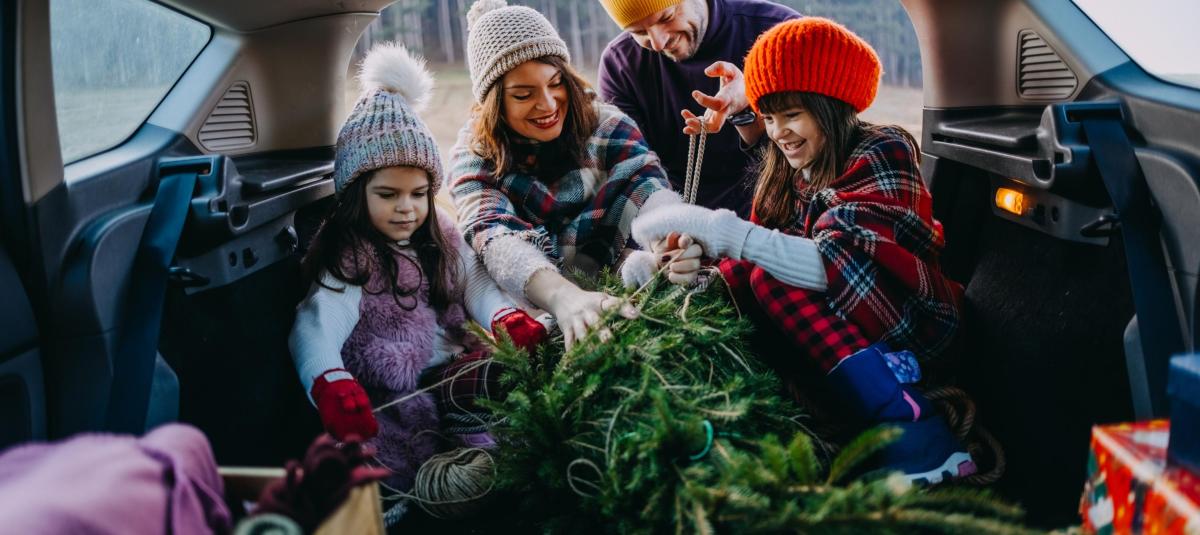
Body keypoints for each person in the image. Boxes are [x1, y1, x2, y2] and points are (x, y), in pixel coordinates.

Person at [632, 18, 977, 485]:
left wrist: (720, 230)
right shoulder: (793, 170)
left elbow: (835, 262)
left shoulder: (883, 150)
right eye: (769, 117)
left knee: (771, 274)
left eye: (791, 115)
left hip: (915, 323)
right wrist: (684, 273)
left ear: (832, 105)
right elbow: (754, 258)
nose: (778, 133)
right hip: (853, 328)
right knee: (748, 273)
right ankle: (848, 413)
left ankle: (917, 430)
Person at [288, 43, 548, 490]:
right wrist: (331, 382)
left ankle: (492, 461)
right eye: (388, 195)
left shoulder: (439, 234)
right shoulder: (351, 257)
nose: (406, 208)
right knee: (397, 460)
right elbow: (316, 325)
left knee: (504, 377)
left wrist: (504, 317)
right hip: (394, 391)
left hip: (451, 366)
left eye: (418, 194)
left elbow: (473, 280)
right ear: (356, 195)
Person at [448, 0, 689, 349]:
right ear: (494, 103)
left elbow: (646, 184)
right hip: (534, 312)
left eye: (555, 82)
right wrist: (563, 297)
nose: (548, 104)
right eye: (523, 94)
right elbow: (493, 233)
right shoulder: (476, 154)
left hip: (628, 290)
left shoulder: (608, 125)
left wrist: (669, 238)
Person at [596, 0, 799, 217]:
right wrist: (665, 223)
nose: (658, 43)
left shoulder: (781, 34)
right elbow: (631, 172)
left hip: (778, 216)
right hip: (674, 218)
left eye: (666, 17)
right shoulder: (621, 66)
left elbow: (812, 162)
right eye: (638, 32)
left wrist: (747, 108)